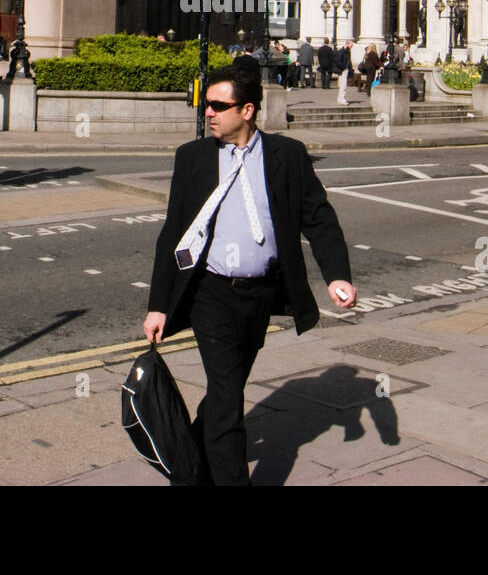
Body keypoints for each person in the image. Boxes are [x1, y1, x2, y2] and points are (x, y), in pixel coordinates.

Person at [142, 65, 356, 485]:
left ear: (248, 110)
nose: (209, 113)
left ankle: (188, 460)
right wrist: (158, 306)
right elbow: (173, 233)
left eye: (219, 106)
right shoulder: (193, 158)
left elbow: (317, 217)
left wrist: (336, 275)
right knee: (226, 399)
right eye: (207, 105)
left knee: (226, 392)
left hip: (260, 295)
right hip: (210, 293)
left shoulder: (286, 156)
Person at [335, 40, 353, 105]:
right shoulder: (343, 51)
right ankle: (342, 98)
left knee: (343, 85)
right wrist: (343, 67)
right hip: (343, 70)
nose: (352, 47)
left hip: (345, 69)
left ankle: (340, 98)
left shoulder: (347, 52)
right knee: (343, 85)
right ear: (348, 44)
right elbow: (338, 60)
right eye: (351, 45)